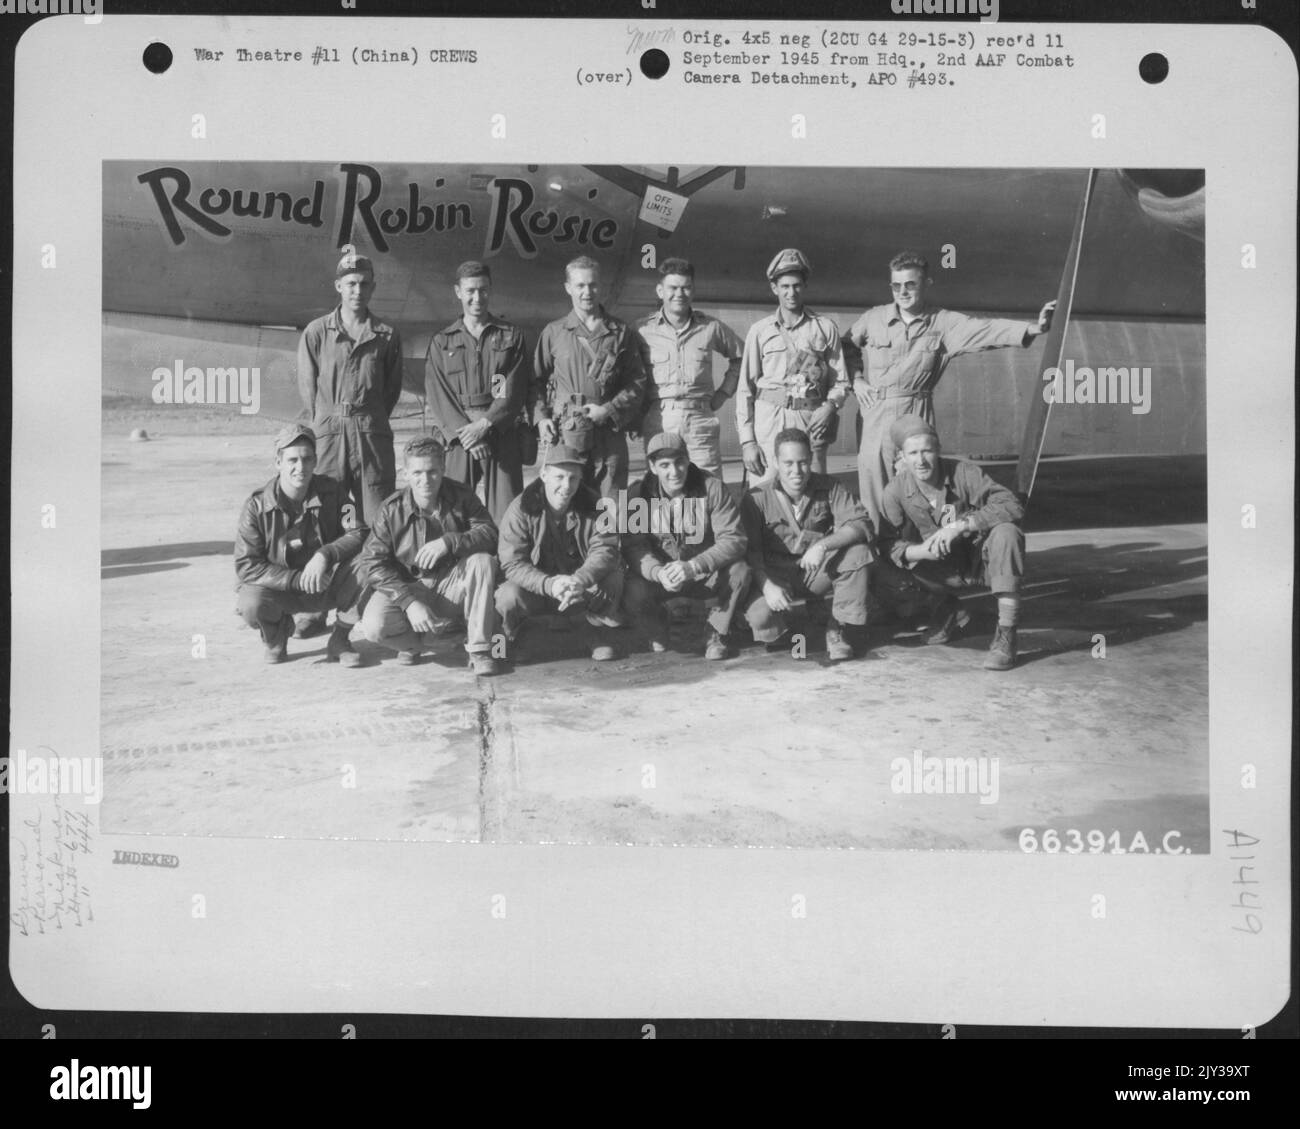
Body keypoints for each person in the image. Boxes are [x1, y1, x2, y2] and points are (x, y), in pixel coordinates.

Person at [849, 249, 1057, 526]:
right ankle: (880, 549)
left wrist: (1034, 329)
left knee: (919, 485)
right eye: (896, 286)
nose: (903, 292)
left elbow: (985, 330)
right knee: (874, 490)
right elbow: (844, 348)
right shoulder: (873, 318)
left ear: (926, 283)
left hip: (915, 411)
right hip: (874, 412)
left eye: (910, 284)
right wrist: (856, 379)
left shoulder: (944, 322)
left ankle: (920, 547)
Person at [876, 415, 1026, 671]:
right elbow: (888, 544)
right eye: (913, 453)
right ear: (901, 456)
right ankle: (947, 609)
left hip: (980, 562)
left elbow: (1012, 505)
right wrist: (919, 551)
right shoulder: (895, 491)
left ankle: (1006, 634)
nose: (921, 460)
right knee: (877, 567)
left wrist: (960, 526)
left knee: (1007, 532)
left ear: (938, 450)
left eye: (927, 451)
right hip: (938, 569)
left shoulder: (964, 473)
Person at [357, 435, 503, 675]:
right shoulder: (390, 509)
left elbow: (489, 533)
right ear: (405, 473)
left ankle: (479, 649)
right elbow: (372, 563)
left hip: (452, 583)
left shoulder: (462, 495)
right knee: (374, 627)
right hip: (409, 585)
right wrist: (409, 603)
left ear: (443, 469)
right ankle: (422, 644)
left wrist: (449, 542)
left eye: (432, 472)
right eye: (417, 473)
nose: (425, 480)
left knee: (483, 562)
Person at [234, 425, 367, 666]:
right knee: (250, 602)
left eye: (307, 459)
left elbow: (357, 531)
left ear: (315, 461)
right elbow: (247, 566)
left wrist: (325, 554)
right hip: (282, 590)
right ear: (278, 462)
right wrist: (296, 579)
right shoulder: (256, 507)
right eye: (292, 460)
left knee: (368, 565)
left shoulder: (335, 492)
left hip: (326, 584)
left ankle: (340, 639)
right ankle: (276, 636)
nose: (300, 467)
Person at [741, 428, 873, 662]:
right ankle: (789, 625)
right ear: (776, 462)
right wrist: (767, 587)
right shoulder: (756, 498)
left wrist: (823, 546)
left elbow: (860, 523)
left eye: (803, 462)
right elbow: (751, 553)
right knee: (761, 619)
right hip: (776, 575)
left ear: (811, 459)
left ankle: (837, 628)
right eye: (788, 463)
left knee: (859, 553)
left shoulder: (830, 487)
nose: (797, 471)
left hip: (815, 571)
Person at [297, 244, 406, 526]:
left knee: (379, 513)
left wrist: (369, 417)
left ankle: (375, 556)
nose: (358, 291)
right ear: (339, 286)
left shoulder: (387, 335)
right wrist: (324, 422)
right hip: (329, 433)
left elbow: (391, 390)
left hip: (370, 433)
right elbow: (308, 387)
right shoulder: (317, 332)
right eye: (351, 284)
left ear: (373, 287)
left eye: (364, 284)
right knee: (324, 512)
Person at [621, 432, 751, 661]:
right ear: (652, 467)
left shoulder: (712, 488)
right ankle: (658, 625)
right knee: (632, 588)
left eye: (679, 462)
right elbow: (634, 547)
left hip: (703, 574)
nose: (674, 471)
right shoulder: (637, 494)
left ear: (688, 459)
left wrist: (694, 566)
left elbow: (733, 539)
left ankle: (715, 631)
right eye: (664, 465)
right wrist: (658, 572)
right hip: (663, 577)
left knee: (740, 572)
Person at [495, 444, 626, 663]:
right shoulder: (520, 509)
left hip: (578, 587)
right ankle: (509, 637)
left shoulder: (595, 504)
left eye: (573, 478)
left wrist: (580, 580)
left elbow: (606, 548)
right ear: (543, 475)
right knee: (508, 596)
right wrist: (549, 584)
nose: (566, 486)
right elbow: (512, 563)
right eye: (559, 477)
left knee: (613, 578)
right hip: (538, 588)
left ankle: (594, 629)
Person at [530, 256, 648, 498]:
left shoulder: (620, 332)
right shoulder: (554, 332)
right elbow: (534, 381)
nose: (587, 292)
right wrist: (541, 418)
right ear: (568, 288)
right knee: (568, 500)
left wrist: (609, 410)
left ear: (600, 286)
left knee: (611, 504)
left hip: (609, 434)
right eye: (580, 285)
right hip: (568, 432)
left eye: (593, 285)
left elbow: (637, 382)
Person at [424, 260, 531, 524]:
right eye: (470, 291)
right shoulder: (442, 342)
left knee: (508, 512)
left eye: (483, 290)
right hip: (461, 439)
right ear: (458, 292)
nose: (477, 298)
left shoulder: (510, 337)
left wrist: (485, 425)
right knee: (453, 511)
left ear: (490, 290)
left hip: (500, 432)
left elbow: (513, 387)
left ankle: (505, 552)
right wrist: (468, 435)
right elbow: (439, 394)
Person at [736, 248, 851, 482]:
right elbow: (745, 389)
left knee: (813, 487)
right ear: (774, 288)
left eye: (797, 285)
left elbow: (840, 381)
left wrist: (830, 407)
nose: (791, 292)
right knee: (766, 488)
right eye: (785, 286)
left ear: (805, 286)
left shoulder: (824, 328)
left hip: (809, 419)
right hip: (769, 421)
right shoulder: (760, 331)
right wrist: (748, 442)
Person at [636, 257, 744, 479]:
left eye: (685, 288)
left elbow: (742, 357)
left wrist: (723, 394)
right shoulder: (642, 330)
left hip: (700, 420)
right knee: (661, 484)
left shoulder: (710, 327)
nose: (679, 294)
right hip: (659, 419)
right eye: (673, 288)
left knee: (707, 484)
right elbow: (629, 374)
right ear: (660, 291)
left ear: (693, 291)